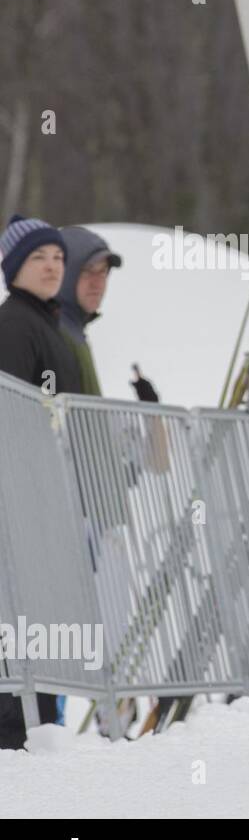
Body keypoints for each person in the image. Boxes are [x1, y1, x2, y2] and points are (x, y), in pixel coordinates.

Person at [0, 214, 80, 750]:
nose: (52, 267)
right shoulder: (14, 325)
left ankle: (40, 723)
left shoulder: (48, 324)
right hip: (21, 500)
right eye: (38, 259)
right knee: (21, 618)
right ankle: (18, 729)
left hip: (44, 498)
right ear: (13, 269)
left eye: (57, 257)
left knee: (46, 619)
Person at [56, 226, 120, 396]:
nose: (97, 283)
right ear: (66, 273)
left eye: (103, 271)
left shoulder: (74, 331)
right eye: (88, 271)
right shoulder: (55, 334)